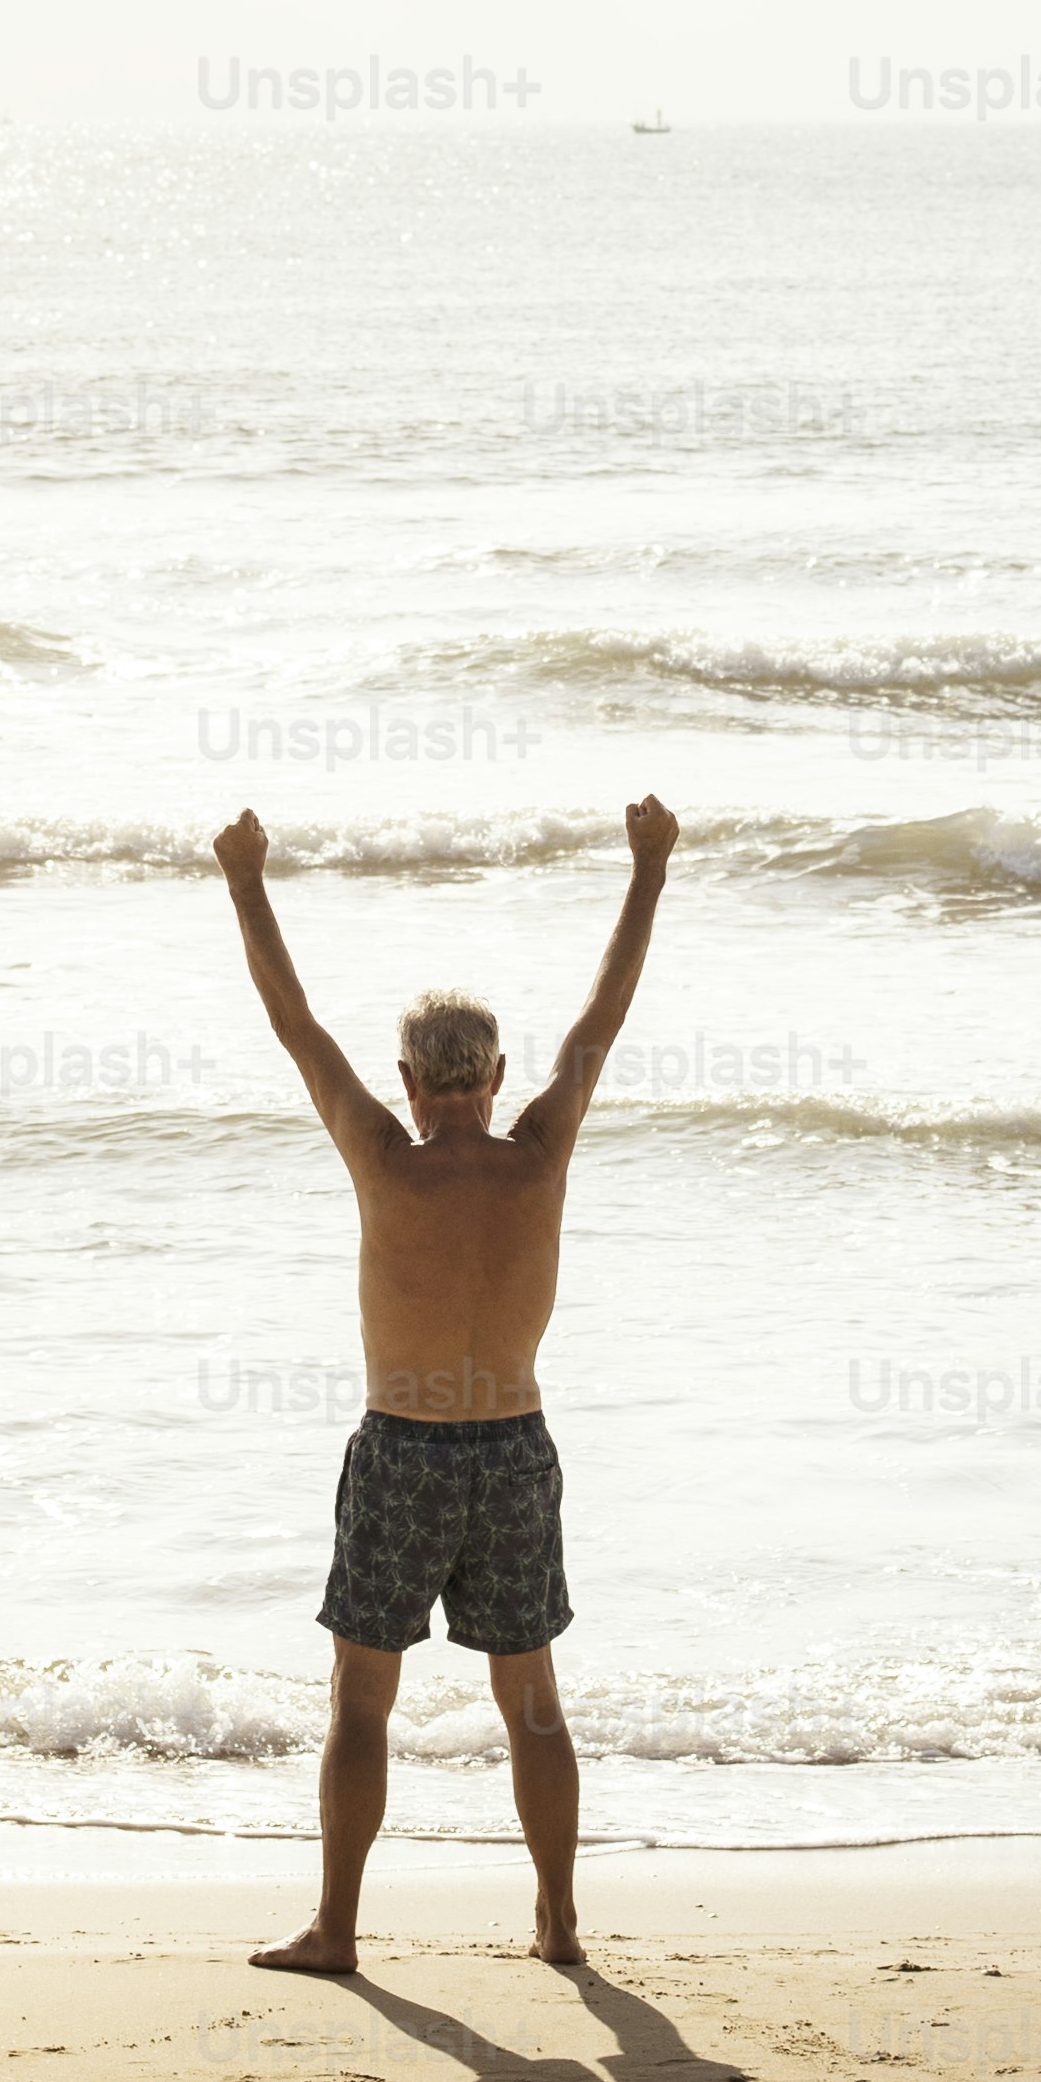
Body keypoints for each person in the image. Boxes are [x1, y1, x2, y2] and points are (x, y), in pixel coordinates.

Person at [211, 795, 672, 1972]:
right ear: (497, 1074)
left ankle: (336, 1930)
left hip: (404, 1451)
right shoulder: (541, 1150)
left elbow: (291, 1022)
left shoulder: (378, 1155)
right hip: (513, 1449)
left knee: (361, 1700)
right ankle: (560, 1924)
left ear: (406, 1079)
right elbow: (600, 1026)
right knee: (532, 1702)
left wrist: (247, 881)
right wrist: (646, 871)